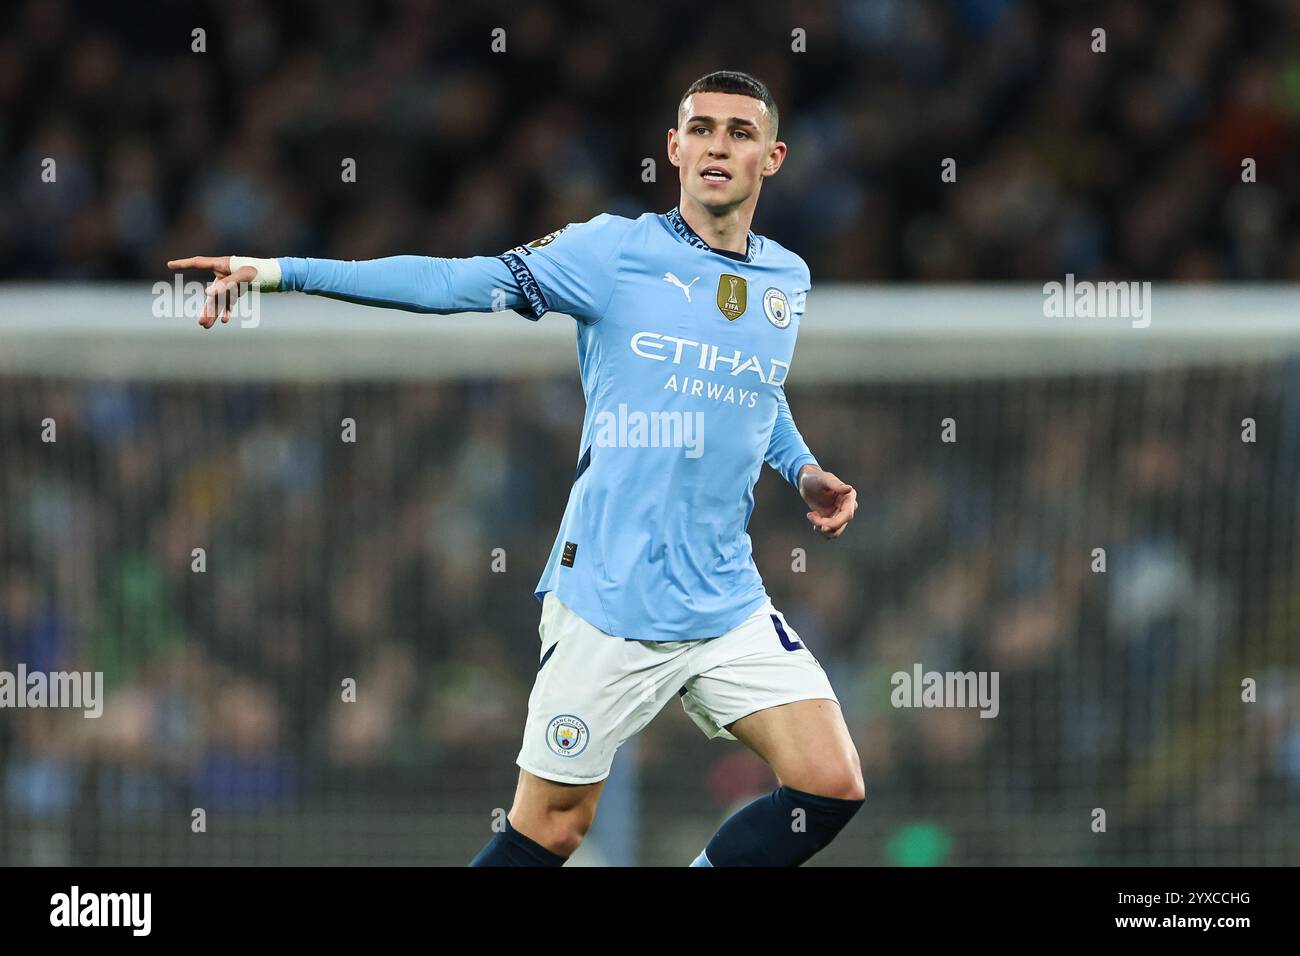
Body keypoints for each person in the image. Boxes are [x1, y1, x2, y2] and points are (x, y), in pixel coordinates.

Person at [168, 70, 863, 867]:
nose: (717, 145)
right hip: (610, 594)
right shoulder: (611, 251)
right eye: (701, 128)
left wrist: (804, 469)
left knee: (829, 784)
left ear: (771, 158)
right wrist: (285, 270)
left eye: (739, 133)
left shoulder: (786, 280)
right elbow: (454, 281)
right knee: (552, 829)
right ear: (674, 148)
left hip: (723, 594)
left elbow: (753, 387)